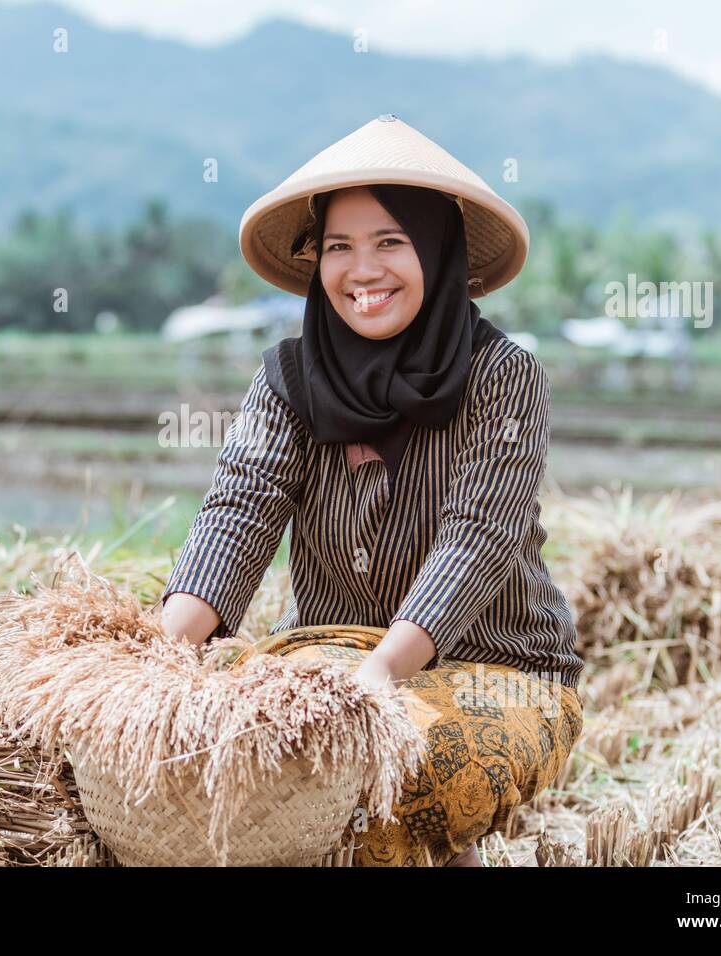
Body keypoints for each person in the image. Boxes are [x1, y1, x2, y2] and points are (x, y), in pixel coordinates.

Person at [159, 115, 585, 867]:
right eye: (339, 247)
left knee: (393, 777)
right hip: (319, 658)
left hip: (496, 670)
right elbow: (239, 510)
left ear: (437, 251)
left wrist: (377, 681)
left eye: (391, 243)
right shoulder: (286, 381)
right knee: (201, 752)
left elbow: (477, 539)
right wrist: (157, 658)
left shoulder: (504, 377)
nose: (364, 271)